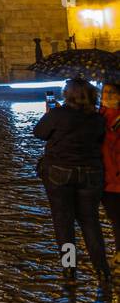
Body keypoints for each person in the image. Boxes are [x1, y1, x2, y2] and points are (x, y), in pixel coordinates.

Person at [33, 78, 111, 285]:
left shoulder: (58, 114)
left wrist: (51, 116)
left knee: (63, 222)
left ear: (68, 94)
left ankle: (69, 267)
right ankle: (102, 269)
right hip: (90, 173)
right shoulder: (97, 118)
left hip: (59, 172)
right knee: (90, 222)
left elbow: (39, 132)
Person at [99, 81, 120, 267]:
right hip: (106, 177)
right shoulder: (100, 114)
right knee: (115, 218)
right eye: (105, 92)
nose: (107, 95)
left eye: (112, 92)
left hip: (116, 175)